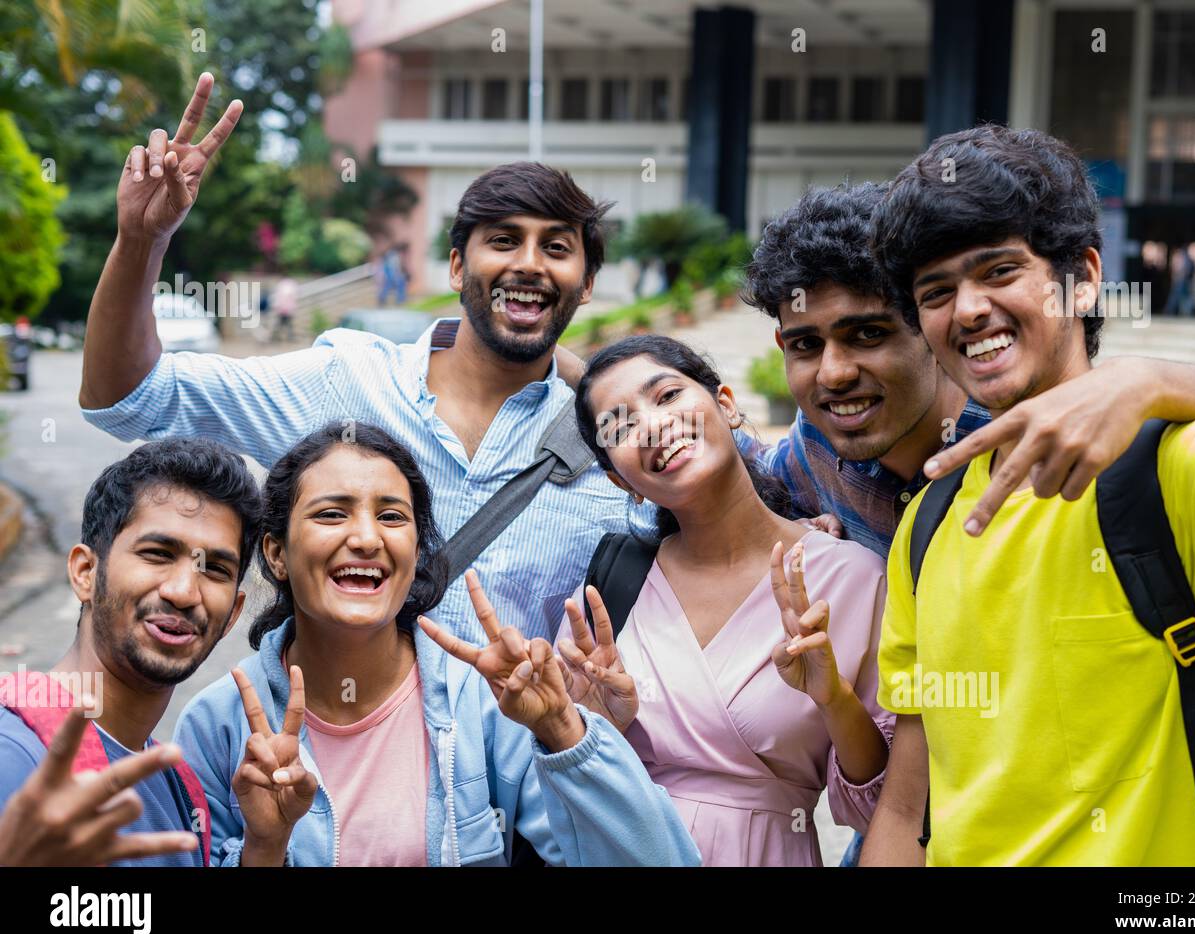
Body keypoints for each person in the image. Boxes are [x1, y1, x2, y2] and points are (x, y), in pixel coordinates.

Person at [738, 180, 1195, 865]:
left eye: (868, 334)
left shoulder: (1120, 446)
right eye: (805, 344)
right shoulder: (830, 461)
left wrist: (1153, 380)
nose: (834, 374)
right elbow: (911, 799)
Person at [79, 72, 649, 653]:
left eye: (556, 248)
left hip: (514, 747)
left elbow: (729, 524)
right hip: (326, 738)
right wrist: (141, 242)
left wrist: (605, 387)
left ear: (586, 285)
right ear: (456, 268)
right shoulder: (347, 381)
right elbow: (126, 397)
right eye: (503, 241)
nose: (529, 264)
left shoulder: (616, 449)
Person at [174, 421, 700, 867]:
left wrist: (562, 727)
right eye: (331, 514)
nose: (365, 537)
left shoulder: (487, 705)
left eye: (391, 516)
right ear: (277, 553)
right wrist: (264, 847)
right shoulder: (217, 724)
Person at [551, 336, 891, 866]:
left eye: (666, 397)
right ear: (621, 481)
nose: (654, 426)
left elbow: (878, 807)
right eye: (619, 426)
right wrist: (591, 727)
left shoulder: (853, 579)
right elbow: (569, 793)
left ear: (726, 404)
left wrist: (835, 699)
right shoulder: (607, 593)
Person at [0, 438, 262, 866]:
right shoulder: (14, 756)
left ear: (232, 614)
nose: (183, 592)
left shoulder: (181, 789)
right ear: (86, 573)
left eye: (214, 569)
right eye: (157, 554)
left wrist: (264, 845)